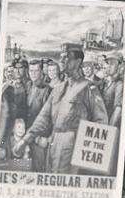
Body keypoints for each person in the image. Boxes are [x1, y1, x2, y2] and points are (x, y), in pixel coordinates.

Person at [15, 44, 108, 174]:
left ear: (78, 62)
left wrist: (89, 156)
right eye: (61, 58)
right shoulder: (58, 89)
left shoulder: (88, 88)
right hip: (54, 142)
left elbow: (101, 121)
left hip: (74, 145)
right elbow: (43, 117)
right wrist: (25, 140)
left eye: (67, 58)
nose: (62, 61)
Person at [24, 59, 52, 172]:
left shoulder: (48, 90)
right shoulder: (28, 85)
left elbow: (50, 117)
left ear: (42, 72)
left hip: (39, 138)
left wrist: (44, 138)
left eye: (36, 71)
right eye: (31, 71)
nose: (33, 74)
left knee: (38, 168)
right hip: (25, 134)